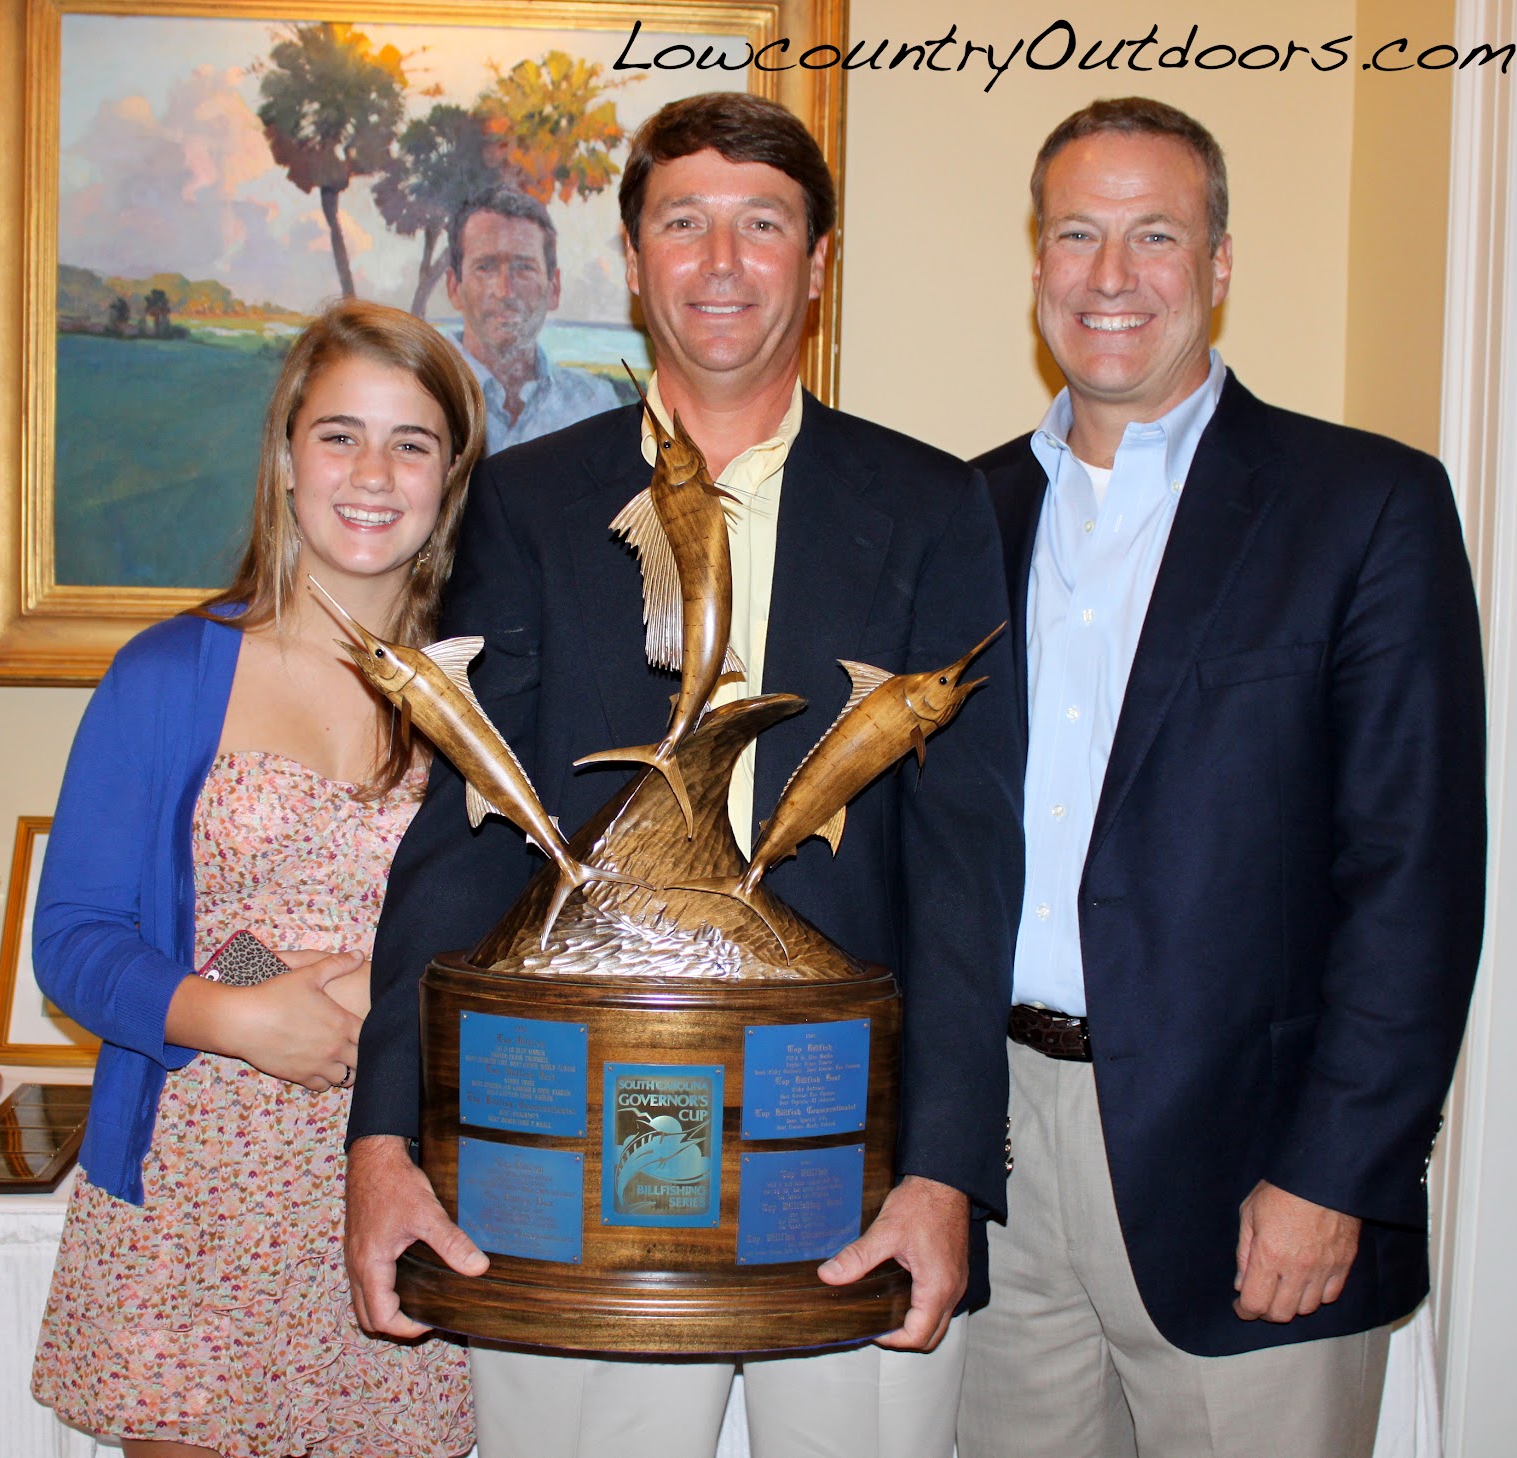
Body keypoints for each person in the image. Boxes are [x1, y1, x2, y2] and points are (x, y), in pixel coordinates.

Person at [346, 92, 1023, 1458]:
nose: (723, 262)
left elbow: (966, 867)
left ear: (819, 264)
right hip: (568, 1171)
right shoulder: (525, 508)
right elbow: (465, 839)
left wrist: (946, 1167)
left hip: (849, 1160)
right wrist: (384, 1138)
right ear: (638, 258)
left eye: (763, 225)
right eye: (686, 223)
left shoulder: (936, 506)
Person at [957, 96, 1486, 1458]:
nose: (1112, 276)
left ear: (1221, 264)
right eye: (1078, 234)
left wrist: (1332, 1171)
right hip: (1001, 1160)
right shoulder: (962, 516)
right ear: (1036, 263)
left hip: (1255, 1168)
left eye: (1155, 235)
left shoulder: (1365, 508)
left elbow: (1413, 877)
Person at [30, 298, 485, 1458]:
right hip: (195, 1197)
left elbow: (524, 940)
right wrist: (237, 1014)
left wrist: (407, 1021)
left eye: (410, 442)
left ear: (450, 474)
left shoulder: (483, 700)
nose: (371, 472)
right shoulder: (170, 673)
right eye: (339, 434)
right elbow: (77, 937)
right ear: (286, 455)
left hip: (399, 1193)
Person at [444, 185, 623, 453]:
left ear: (554, 289)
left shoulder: (595, 406)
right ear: (454, 288)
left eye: (524, 267)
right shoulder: (422, 396)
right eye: (485, 267)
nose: (505, 291)